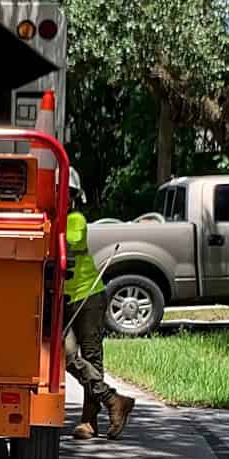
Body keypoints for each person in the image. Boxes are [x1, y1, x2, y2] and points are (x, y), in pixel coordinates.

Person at [63, 172, 134, 440]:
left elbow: (69, 247)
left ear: (72, 197)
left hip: (88, 295)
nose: (62, 196)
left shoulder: (74, 220)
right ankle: (114, 400)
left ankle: (89, 422)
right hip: (63, 299)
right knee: (66, 354)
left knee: (92, 357)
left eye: (67, 192)